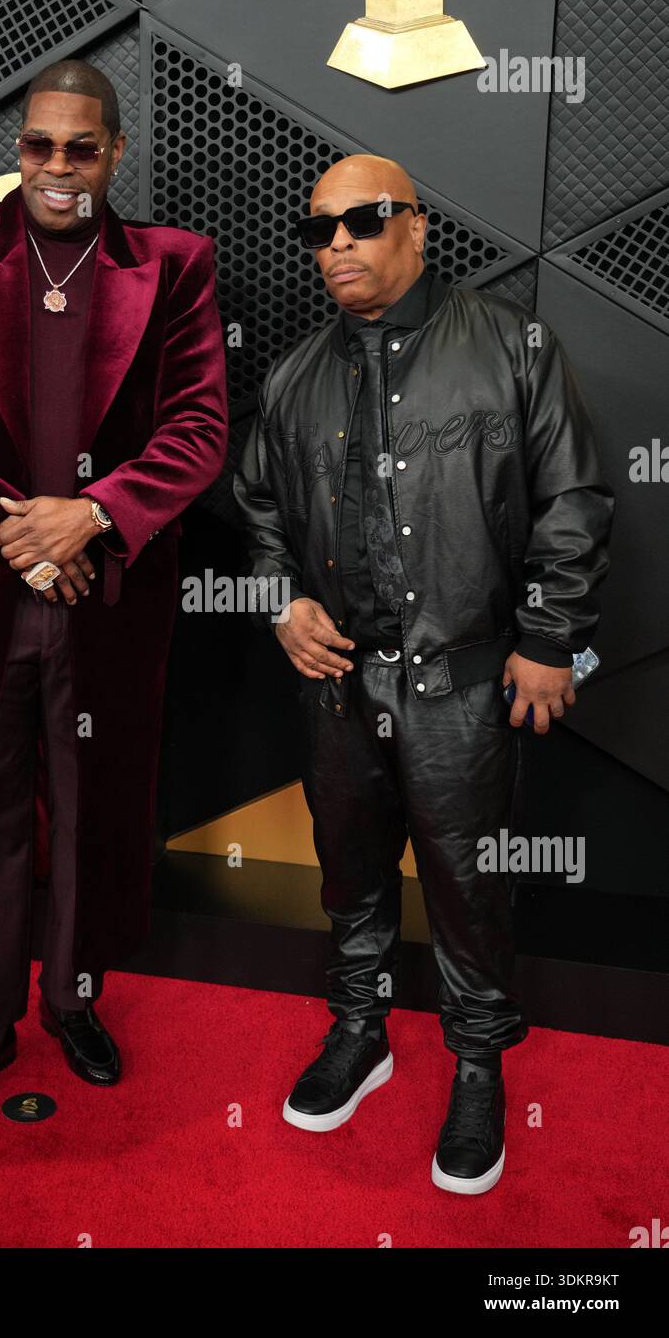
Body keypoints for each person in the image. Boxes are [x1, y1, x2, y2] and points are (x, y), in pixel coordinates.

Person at [233, 153, 613, 1193]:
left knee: (468, 884)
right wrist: (281, 601)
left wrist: (549, 638)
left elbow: (573, 498)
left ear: (416, 226)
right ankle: (359, 1031)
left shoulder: (510, 344)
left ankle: (478, 1067)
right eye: (318, 229)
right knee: (348, 868)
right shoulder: (293, 375)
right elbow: (258, 510)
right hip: (336, 683)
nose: (338, 244)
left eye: (362, 220)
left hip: (465, 681)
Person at [0, 59, 228, 1127]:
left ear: (116, 152)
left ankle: (72, 1000)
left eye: (81, 147)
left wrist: (93, 515)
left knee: (89, 803)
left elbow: (198, 428)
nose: (58, 166)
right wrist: (13, 529)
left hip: (105, 595)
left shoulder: (174, 265)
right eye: (39, 145)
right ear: (16, 148)